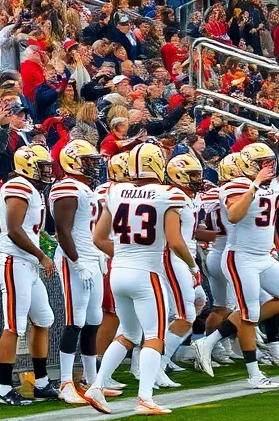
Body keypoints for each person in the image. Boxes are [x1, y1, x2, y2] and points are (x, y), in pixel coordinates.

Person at [83, 143, 197, 414]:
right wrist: (192, 266)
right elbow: (176, 241)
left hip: (118, 271)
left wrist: (124, 255)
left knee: (129, 333)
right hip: (147, 273)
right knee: (155, 336)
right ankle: (145, 398)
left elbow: (98, 238)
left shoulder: (115, 190)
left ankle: (97, 386)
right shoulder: (169, 194)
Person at [192, 138, 279, 390]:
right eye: (261, 163)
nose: (268, 166)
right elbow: (234, 215)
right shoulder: (235, 185)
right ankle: (254, 375)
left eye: (269, 161)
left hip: (263, 257)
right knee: (249, 315)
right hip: (240, 257)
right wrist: (254, 185)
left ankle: (210, 341)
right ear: (246, 164)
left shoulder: (273, 184)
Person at [0, 145, 58, 406]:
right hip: (14, 263)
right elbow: (14, 229)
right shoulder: (18, 187)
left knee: (44, 320)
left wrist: (42, 246)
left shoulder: (31, 189)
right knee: (13, 327)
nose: (46, 171)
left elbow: (28, 230)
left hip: (27, 265)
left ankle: (41, 382)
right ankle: (4, 388)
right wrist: (42, 255)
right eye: (42, 166)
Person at [49, 142, 106, 404]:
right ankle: (65, 382)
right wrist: (77, 261)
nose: (93, 165)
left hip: (91, 257)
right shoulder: (66, 187)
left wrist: (98, 255)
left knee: (94, 319)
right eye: (88, 160)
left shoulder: (83, 187)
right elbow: (63, 231)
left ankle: (92, 381)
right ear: (73, 161)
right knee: (76, 320)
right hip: (75, 260)